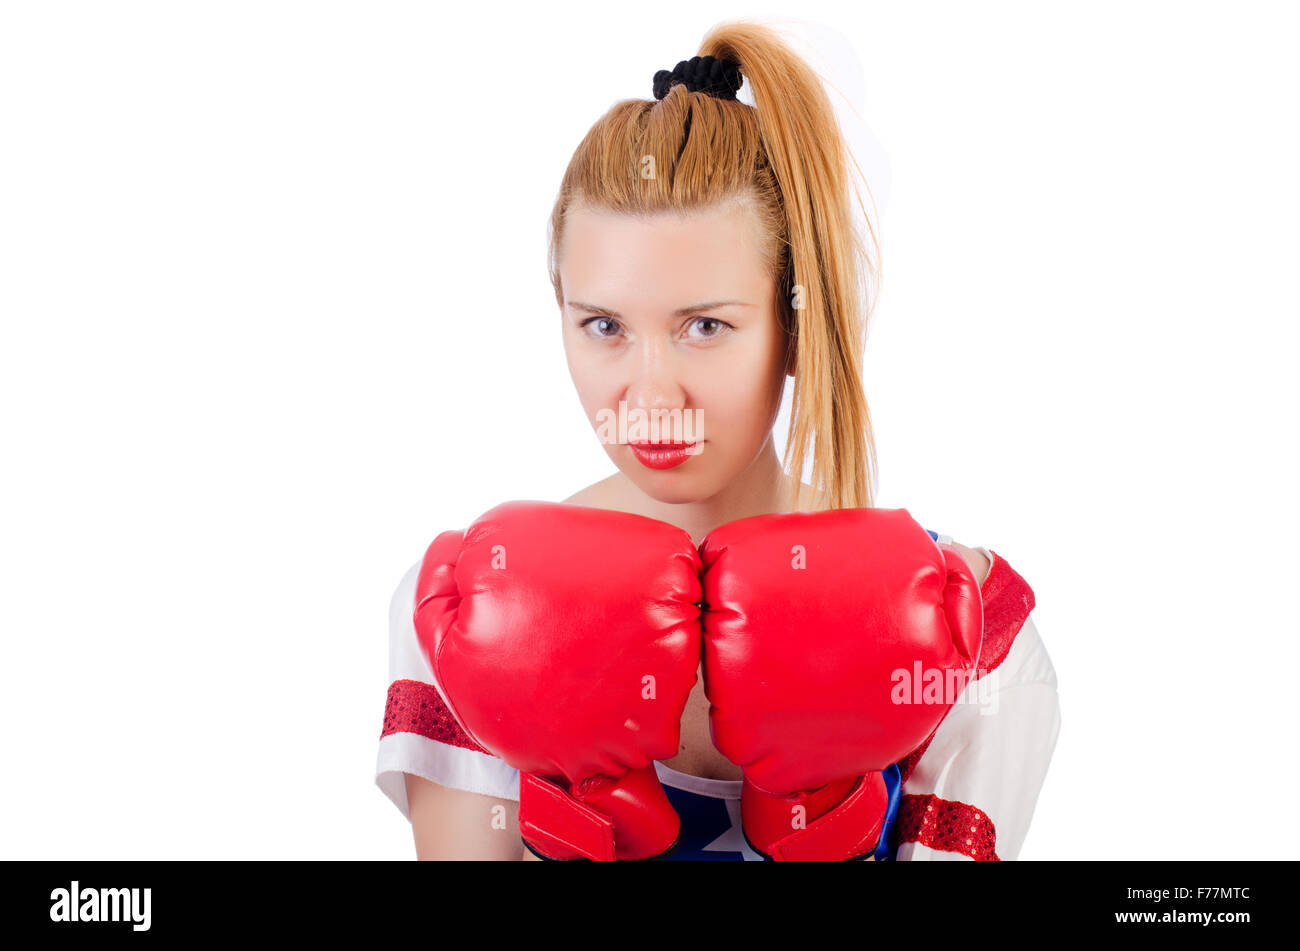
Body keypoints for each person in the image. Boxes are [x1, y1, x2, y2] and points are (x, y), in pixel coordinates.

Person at [375, 19, 1060, 861]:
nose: (650, 394)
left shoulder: (966, 629)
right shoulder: (473, 606)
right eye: (603, 325)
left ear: (796, 326)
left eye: (704, 324)